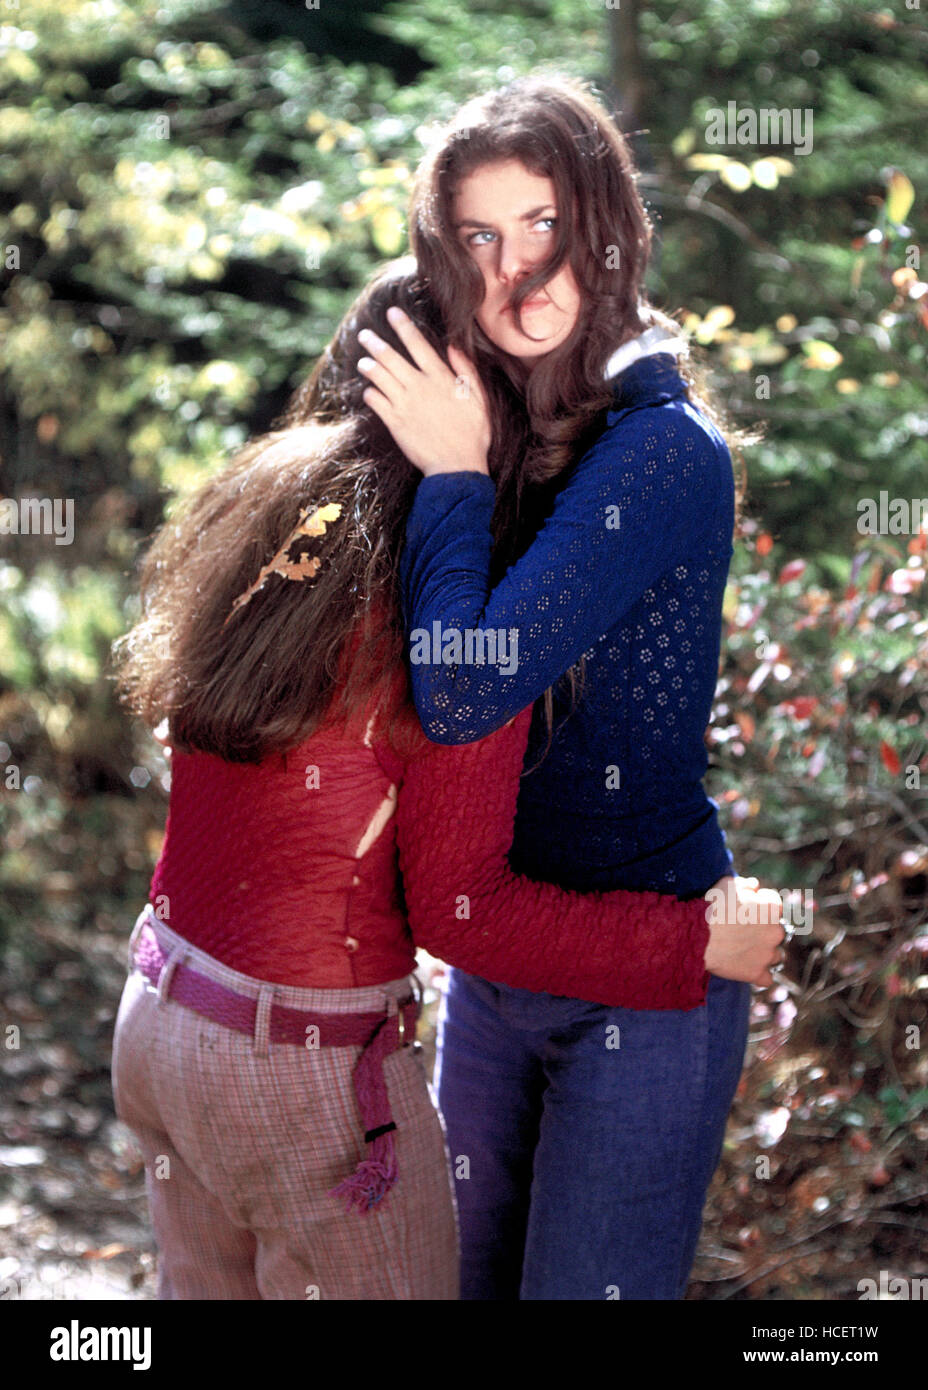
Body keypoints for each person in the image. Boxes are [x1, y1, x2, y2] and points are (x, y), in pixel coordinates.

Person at [110, 262, 780, 1301]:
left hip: (162, 1012)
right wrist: (694, 945)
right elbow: (466, 918)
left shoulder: (271, 495)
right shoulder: (454, 617)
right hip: (294, 1074)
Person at [358, 76, 784, 1300]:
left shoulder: (659, 448)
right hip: (498, 958)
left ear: (605, 224)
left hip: (649, 973)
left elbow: (463, 694)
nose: (517, 275)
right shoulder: (506, 410)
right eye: (479, 238)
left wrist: (450, 477)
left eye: (542, 223)